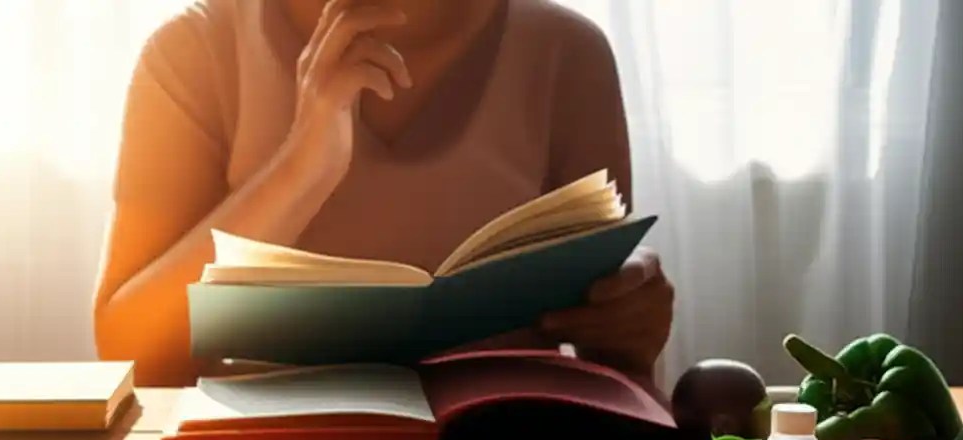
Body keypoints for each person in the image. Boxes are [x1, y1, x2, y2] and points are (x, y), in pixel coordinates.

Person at [93, 0, 674, 387]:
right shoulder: (191, 51)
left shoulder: (566, 51)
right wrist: (301, 168)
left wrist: (630, 331)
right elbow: (130, 351)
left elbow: (613, 374)